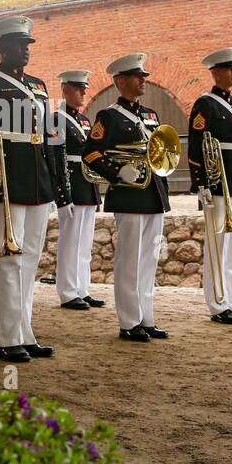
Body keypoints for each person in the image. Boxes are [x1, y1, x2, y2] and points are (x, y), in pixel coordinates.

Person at [0, 18, 69, 363]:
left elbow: (52, 139)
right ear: (1, 48)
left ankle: (24, 330)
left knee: (30, 260)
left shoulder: (39, 86)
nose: (25, 50)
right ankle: (8, 337)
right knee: (9, 258)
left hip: (37, 178)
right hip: (6, 181)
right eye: (18, 44)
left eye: (28, 44)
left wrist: (57, 184)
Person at [82, 53, 170, 343]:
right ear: (121, 82)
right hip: (130, 195)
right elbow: (91, 153)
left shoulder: (151, 116)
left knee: (149, 260)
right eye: (137, 76)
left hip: (154, 191)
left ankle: (146, 317)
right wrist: (118, 171)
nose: (143, 79)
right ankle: (129, 321)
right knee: (130, 260)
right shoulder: (108, 116)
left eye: (143, 75)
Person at [188, 47, 232, 324]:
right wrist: (201, 183)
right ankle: (217, 304)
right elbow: (196, 145)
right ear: (216, 72)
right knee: (217, 246)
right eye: (230, 70)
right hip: (218, 183)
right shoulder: (205, 104)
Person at [52, 70, 104, 311]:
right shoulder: (55, 119)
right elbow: (56, 156)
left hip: (87, 183)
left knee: (84, 243)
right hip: (71, 183)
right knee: (70, 241)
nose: (84, 92)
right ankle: (68, 291)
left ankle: (82, 288)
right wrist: (62, 192)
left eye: (84, 87)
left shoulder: (84, 120)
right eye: (78, 88)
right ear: (65, 90)